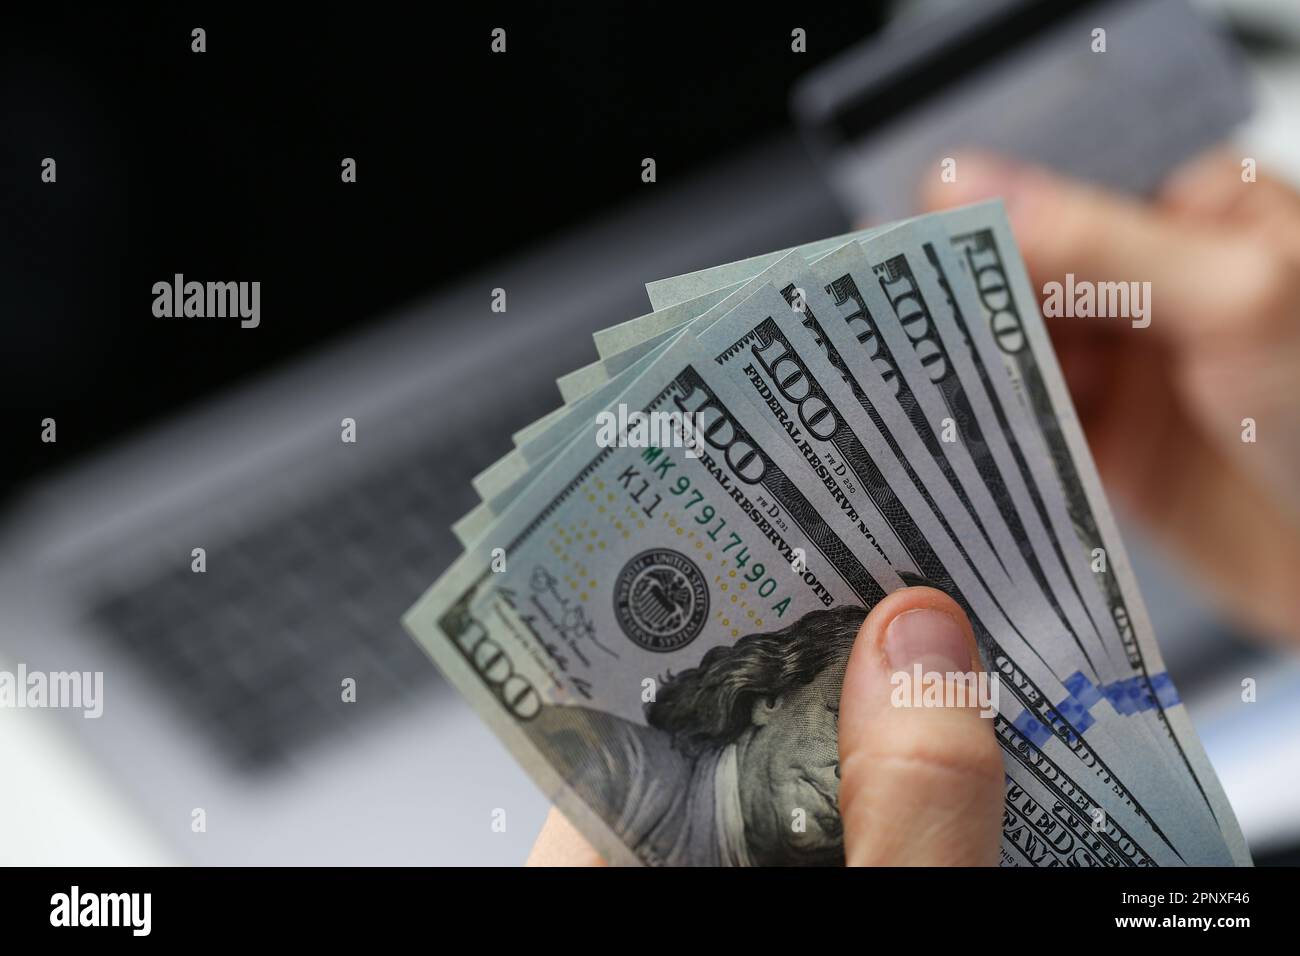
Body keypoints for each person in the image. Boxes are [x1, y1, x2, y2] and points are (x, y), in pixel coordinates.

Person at [529, 149, 1300, 866]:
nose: (862, 745)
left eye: (855, 707)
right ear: (763, 705)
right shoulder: (639, 776)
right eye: (842, 712)